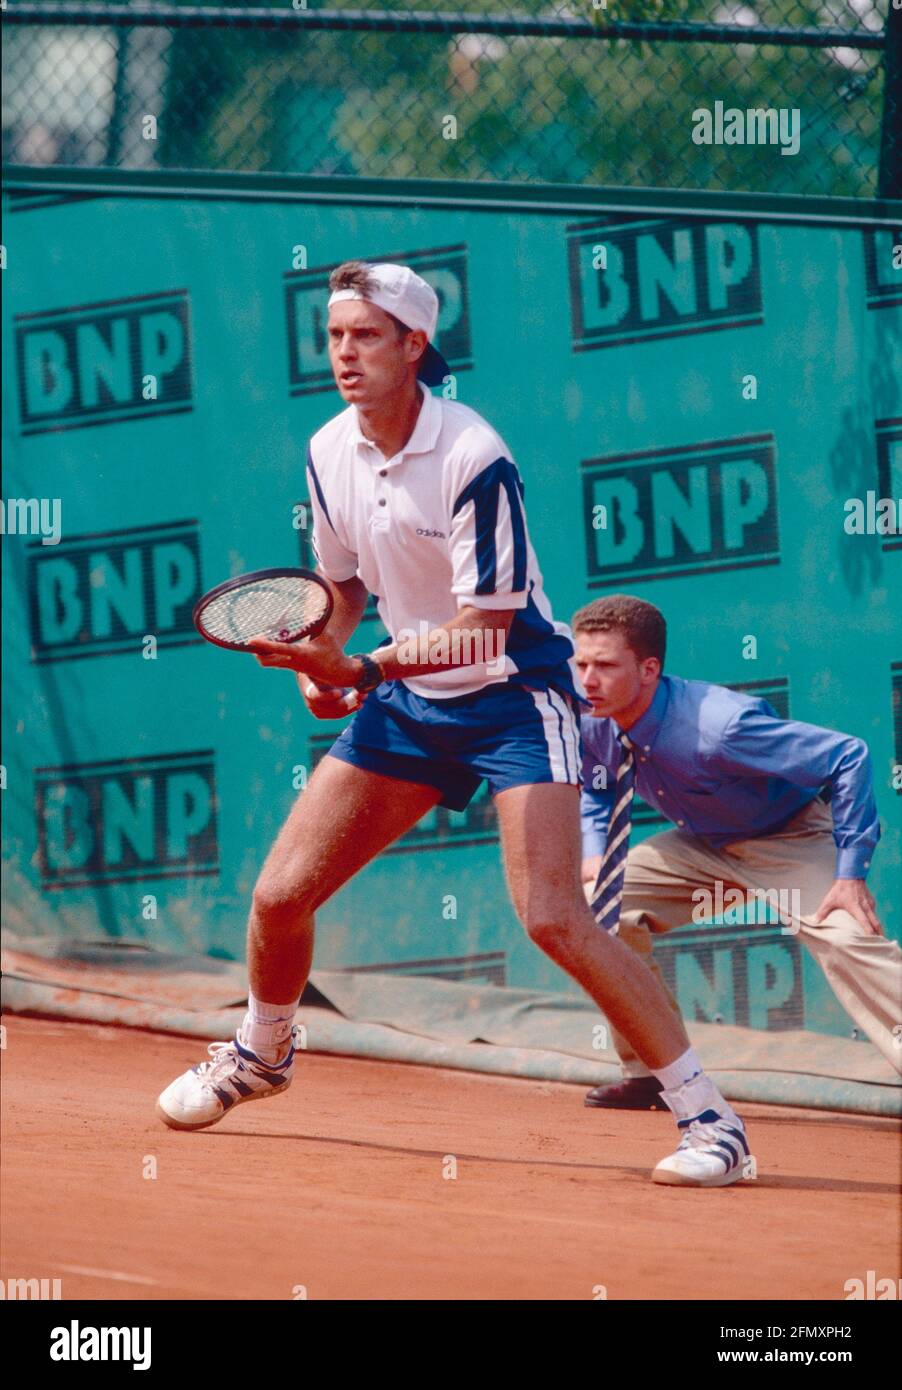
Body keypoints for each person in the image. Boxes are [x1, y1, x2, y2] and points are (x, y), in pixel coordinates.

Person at [157, 261, 751, 1186]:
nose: (345, 354)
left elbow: (489, 624)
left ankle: (713, 1122)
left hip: (517, 694)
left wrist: (362, 667)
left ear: (414, 346)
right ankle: (262, 1051)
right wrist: (325, 655)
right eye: (334, 336)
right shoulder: (327, 450)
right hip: (412, 704)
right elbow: (346, 582)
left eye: (366, 336)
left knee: (554, 917)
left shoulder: (476, 455)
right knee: (280, 895)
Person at [575, 593, 902, 1110]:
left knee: (846, 939)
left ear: (649, 669)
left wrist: (850, 872)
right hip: (702, 846)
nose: (587, 679)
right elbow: (595, 784)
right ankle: (655, 1072)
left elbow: (847, 756)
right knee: (597, 913)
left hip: (789, 837)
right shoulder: (594, 716)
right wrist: (596, 850)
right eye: (581, 663)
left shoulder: (719, 727)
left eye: (605, 665)